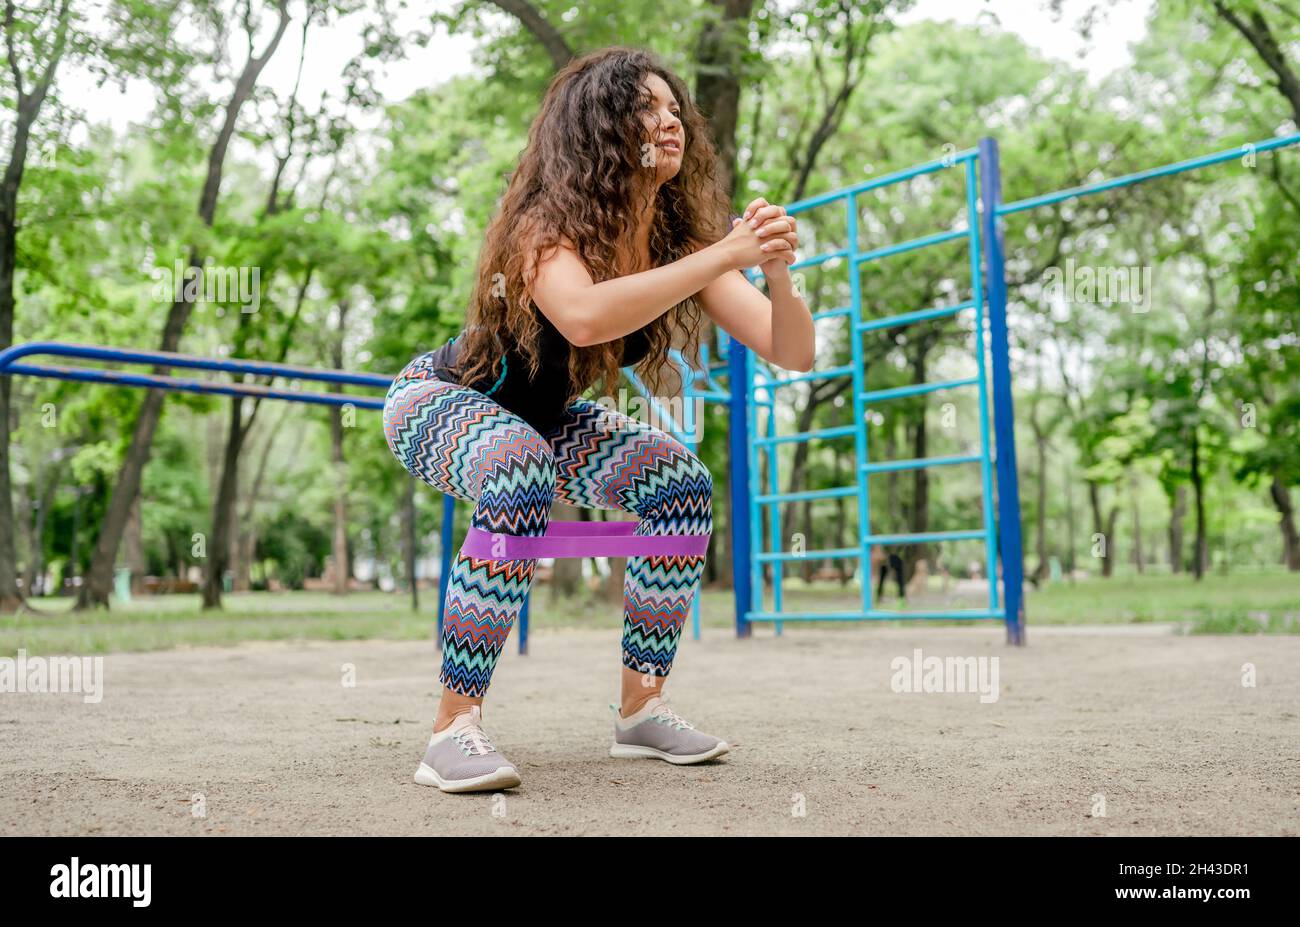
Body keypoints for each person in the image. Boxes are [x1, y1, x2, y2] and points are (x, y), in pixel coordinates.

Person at [383, 46, 815, 793]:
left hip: (544, 421)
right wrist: (725, 256)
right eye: (647, 108)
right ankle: (452, 730)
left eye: (674, 107)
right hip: (443, 397)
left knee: (679, 481)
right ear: (604, 125)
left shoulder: (682, 243)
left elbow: (791, 350)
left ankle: (642, 708)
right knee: (519, 466)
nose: (669, 119)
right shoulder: (544, 225)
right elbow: (582, 318)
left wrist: (771, 268)